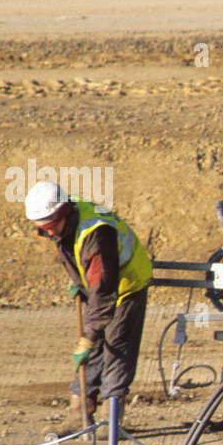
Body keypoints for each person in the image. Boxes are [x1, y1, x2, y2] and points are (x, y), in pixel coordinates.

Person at [24, 179, 152, 427]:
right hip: (101, 283)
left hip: (127, 284)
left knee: (117, 349)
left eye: (51, 226)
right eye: (43, 228)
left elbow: (104, 290)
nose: (49, 233)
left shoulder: (95, 233)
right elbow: (76, 255)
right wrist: (80, 283)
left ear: (63, 213)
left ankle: (110, 421)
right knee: (92, 349)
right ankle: (79, 414)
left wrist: (89, 336)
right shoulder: (67, 219)